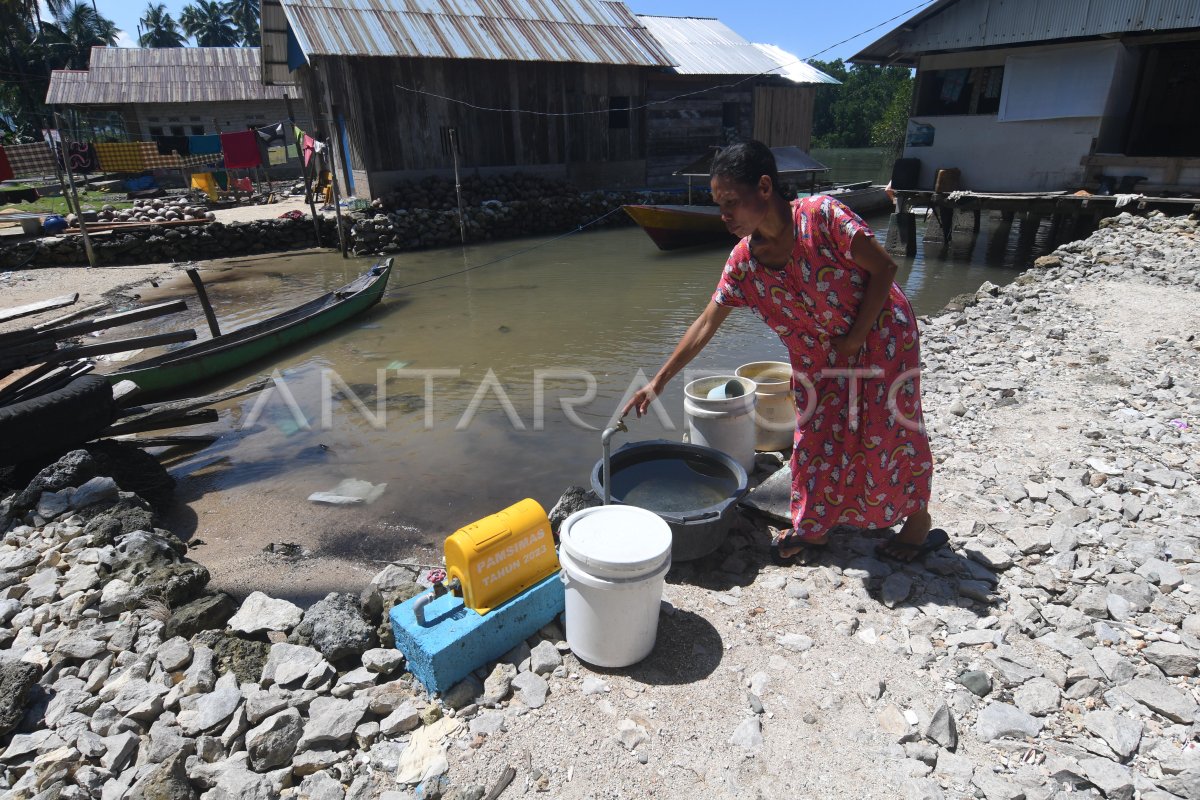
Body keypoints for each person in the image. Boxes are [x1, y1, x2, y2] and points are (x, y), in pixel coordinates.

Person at [622, 140, 944, 564]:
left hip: (881, 336)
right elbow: (705, 323)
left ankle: (915, 521)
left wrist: (853, 339)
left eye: (731, 202)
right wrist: (657, 383)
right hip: (816, 358)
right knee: (814, 437)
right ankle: (813, 528)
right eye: (718, 205)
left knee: (886, 430)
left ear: (764, 187)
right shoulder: (744, 264)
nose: (724, 216)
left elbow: (884, 268)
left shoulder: (822, 217)